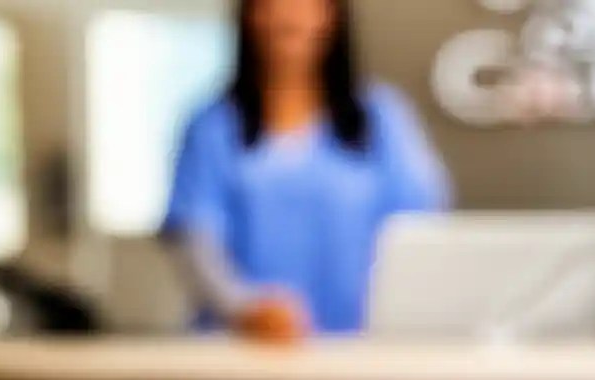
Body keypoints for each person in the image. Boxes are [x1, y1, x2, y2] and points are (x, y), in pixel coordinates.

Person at [163, 0, 451, 342]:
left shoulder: (381, 118)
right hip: (240, 349)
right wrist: (245, 308)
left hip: (361, 348)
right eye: (272, 5)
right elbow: (194, 237)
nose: (289, 15)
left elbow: (419, 229)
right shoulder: (213, 126)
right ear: (251, 16)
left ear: (332, 16)